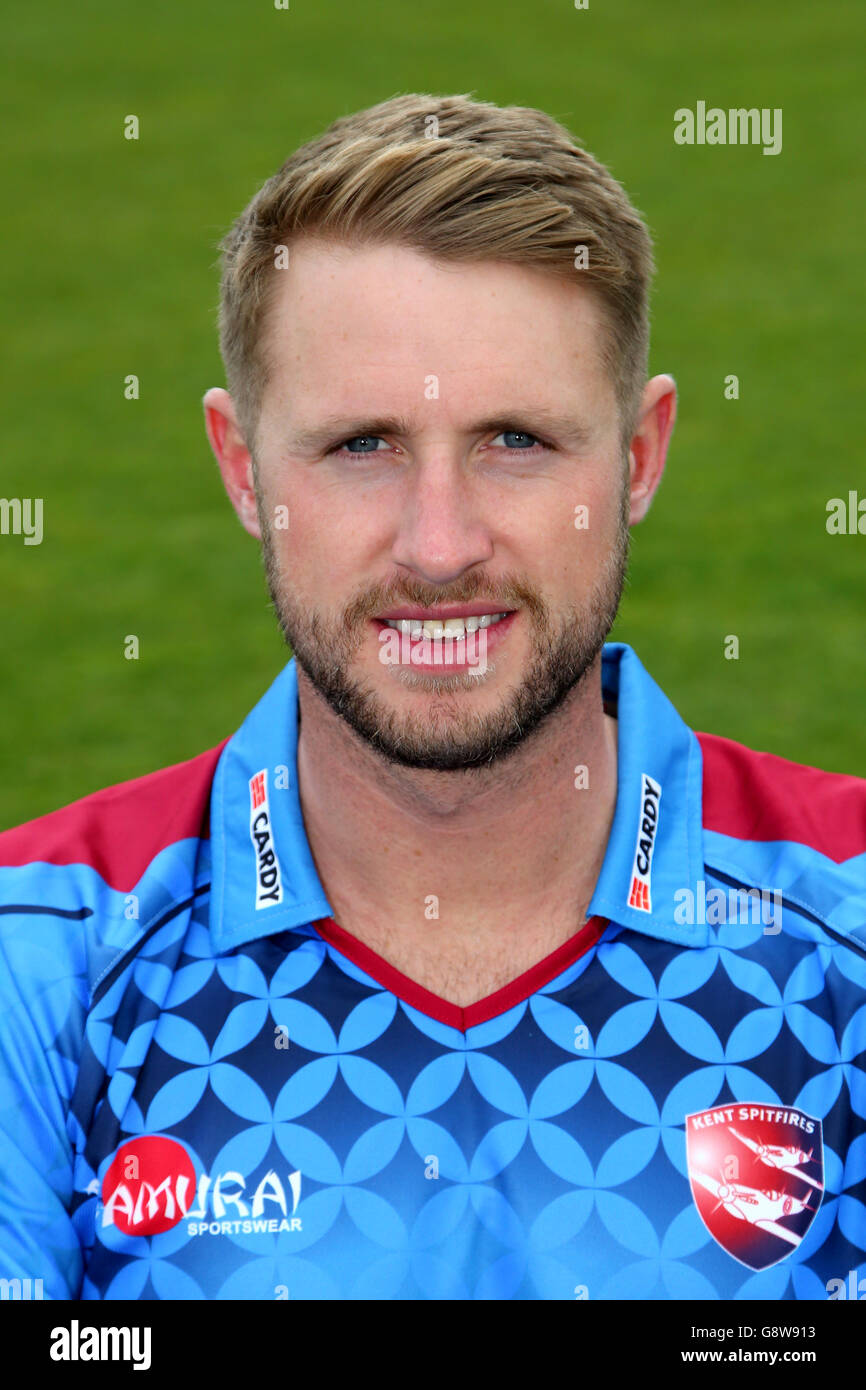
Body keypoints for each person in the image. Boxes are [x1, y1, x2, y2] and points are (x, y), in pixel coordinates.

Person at [0, 92, 863, 1302]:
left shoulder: (844, 920)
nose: (441, 544)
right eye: (362, 446)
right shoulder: (40, 962)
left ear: (637, 457)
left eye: (514, 440)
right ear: (244, 470)